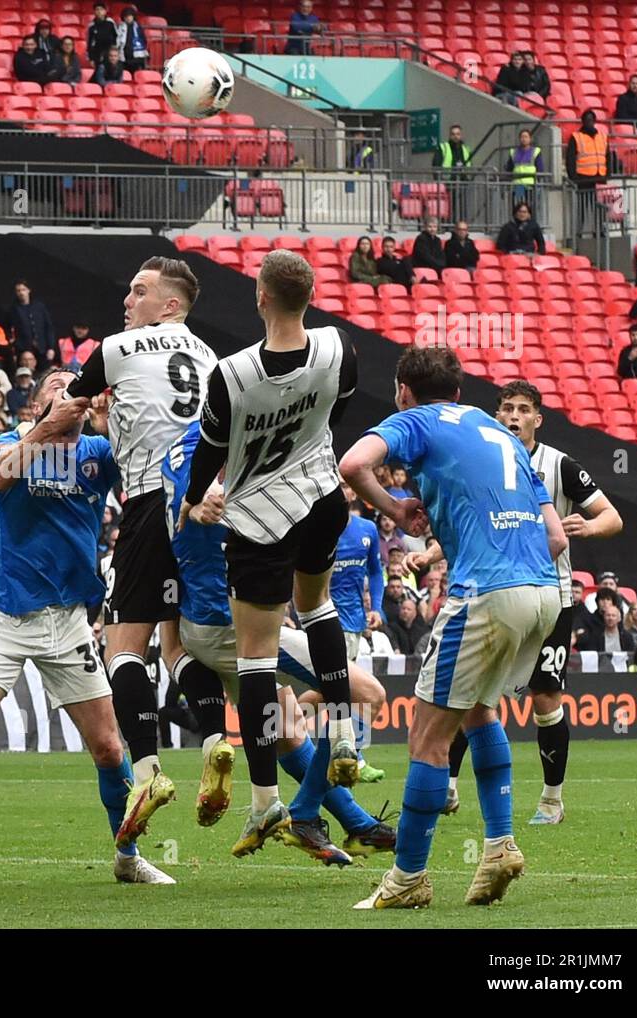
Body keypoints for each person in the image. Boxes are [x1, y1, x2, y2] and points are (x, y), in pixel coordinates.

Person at [0, 366, 173, 885]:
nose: (69, 389)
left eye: (76, 385)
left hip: (69, 620)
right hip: (6, 612)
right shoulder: (12, 440)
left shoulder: (97, 453)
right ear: (37, 404)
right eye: (57, 384)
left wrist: (118, 416)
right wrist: (47, 427)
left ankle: (127, 856)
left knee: (110, 748)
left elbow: (144, 478)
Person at [340, 347, 566, 910]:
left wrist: (394, 509)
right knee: (479, 710)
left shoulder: (415, 419)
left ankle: (408, 879)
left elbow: (352, 464)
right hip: (543, 591)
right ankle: (498, 846)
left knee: (426, 738)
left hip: (486, 592)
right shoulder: (502, 433)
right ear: (462, 392)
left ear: (402, 391)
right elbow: (557, 536)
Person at [179, 248, 359, 861]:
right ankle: (341, 737)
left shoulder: (230, 375)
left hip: (259, 518)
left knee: (256, 663)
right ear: (308, 297)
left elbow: (209, 454)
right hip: (322, 495)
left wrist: (191, 500)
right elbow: (339, 409)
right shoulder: (339, 348)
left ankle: (264, 802)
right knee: (321, 606)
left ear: (261, 297)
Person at [165, 421, 395, 862]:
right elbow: (200, 493)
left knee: (286, 729)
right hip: (231, 624)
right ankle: (305, 813)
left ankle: (357, 826)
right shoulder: (207, 447)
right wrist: (202, 503)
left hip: (209, 622)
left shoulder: (182, 448)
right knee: (367, 695)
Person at [63, 257, 219, 840]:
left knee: (124, 644)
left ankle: (149, 770)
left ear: (170, 306)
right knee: (179, 643)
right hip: (204, 505)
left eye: (140, 292)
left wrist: (26, 442)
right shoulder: (210, 358)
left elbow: (66, 410)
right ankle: (214, 741)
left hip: (152, 499)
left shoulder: (117, 348)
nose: (127, 301)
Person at [328, 482, 386, 781]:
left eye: (349, 487)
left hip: (355, 623)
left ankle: (282, 725)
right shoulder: (321, 528)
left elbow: (375, 572)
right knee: (349, 690)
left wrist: (375, 607)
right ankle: (356, 758)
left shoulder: (367, 529)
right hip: (327, 622)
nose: (345, 491)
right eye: (340, 485)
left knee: (335, 691)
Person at [566, 109, 610, 233]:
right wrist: (573, 177)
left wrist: (608, 174)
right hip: (584, 177)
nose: (589, 122)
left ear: (594, 121)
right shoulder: (576, 137)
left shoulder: (602, 136)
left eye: (591, 120)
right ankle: (580, 232)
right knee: (583, 207)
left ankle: (600, 230)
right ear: (583, 121)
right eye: (587, 120)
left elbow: (608, 156)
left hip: (600, 177)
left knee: (601, 207)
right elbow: (570, 158)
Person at [9, 278, 57, 366]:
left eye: (23, 289)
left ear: (28, 290)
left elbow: (48, 327)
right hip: (24, 349)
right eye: (18, 290)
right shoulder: (14, 309)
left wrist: (50, 348)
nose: (21, 293)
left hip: (42, 348)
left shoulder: (39, 306)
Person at [432, 124, 472, 220]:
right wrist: (439, 181)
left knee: (462, 207)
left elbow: (469, 164)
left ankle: (461, 224)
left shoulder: (465, 148)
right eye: (453, 134)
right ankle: (448, 225)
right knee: (448, 207)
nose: (455, 136)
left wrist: (467, 178)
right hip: (447, 183)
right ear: (449, 135)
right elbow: (436, 165)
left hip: (462, 183)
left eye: (458, 134)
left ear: (461, 135)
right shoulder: (443, 147)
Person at [505, 128, 544, 205]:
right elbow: (509, 168)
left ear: (530, 139)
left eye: (526, 137)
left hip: (531, 185)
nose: (524, 139)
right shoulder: (514, 152)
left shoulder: (536, 151)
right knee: (518, 206)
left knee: (531, 206)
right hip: (518, 185)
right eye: (522, 137)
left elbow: (540, 168)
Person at [116, 6, 150, 73]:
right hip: (124, 55)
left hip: (136, 56)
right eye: (126, 16)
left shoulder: (138, 27)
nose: (128, 18)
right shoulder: (120, 27)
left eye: (130, 16)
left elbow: (143, 40)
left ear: (133, 17)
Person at [86, 2, 118, 67]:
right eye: (97, 9)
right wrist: (91, 58)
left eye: (101, 9)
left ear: (105, 11)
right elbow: (89, 43)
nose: (99, 11)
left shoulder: (110, 23)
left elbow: (117, 37)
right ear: (94, 12)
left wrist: (115, 52)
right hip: (97, 54)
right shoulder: (91, 26)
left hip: (110, 54)